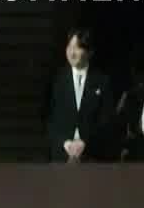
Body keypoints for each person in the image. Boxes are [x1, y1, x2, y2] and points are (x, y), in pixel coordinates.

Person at [43, 28, 114, 163]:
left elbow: (107, 120)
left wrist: (86, 143)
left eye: (77, 48)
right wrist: (65, 143)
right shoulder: (57, 80)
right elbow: (48, 118)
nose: (72, 52)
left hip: (93, 156)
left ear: (89, 52)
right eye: (69, 46)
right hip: (61, 156)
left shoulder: (102, 81)